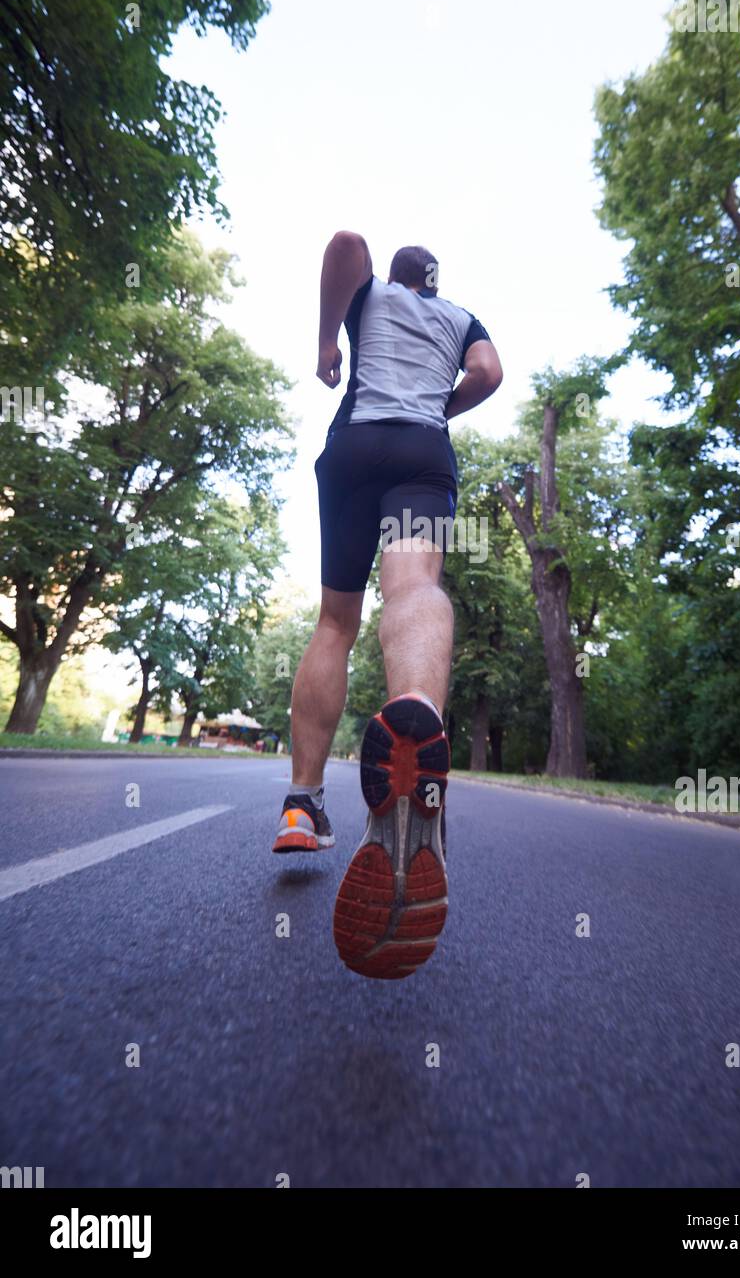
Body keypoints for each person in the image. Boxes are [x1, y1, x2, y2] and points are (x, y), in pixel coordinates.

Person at [273, 232, 502, 979]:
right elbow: (489, 372)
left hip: (354, 448)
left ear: (395, 278)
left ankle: (302, 805)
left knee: (335, 620)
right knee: (413, 586)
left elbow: (342, 244)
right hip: (420, 453)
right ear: (435, 282)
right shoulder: (458, 317)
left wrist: (325, 348)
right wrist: (443, 403)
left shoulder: (370, 297)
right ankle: (417, 732)